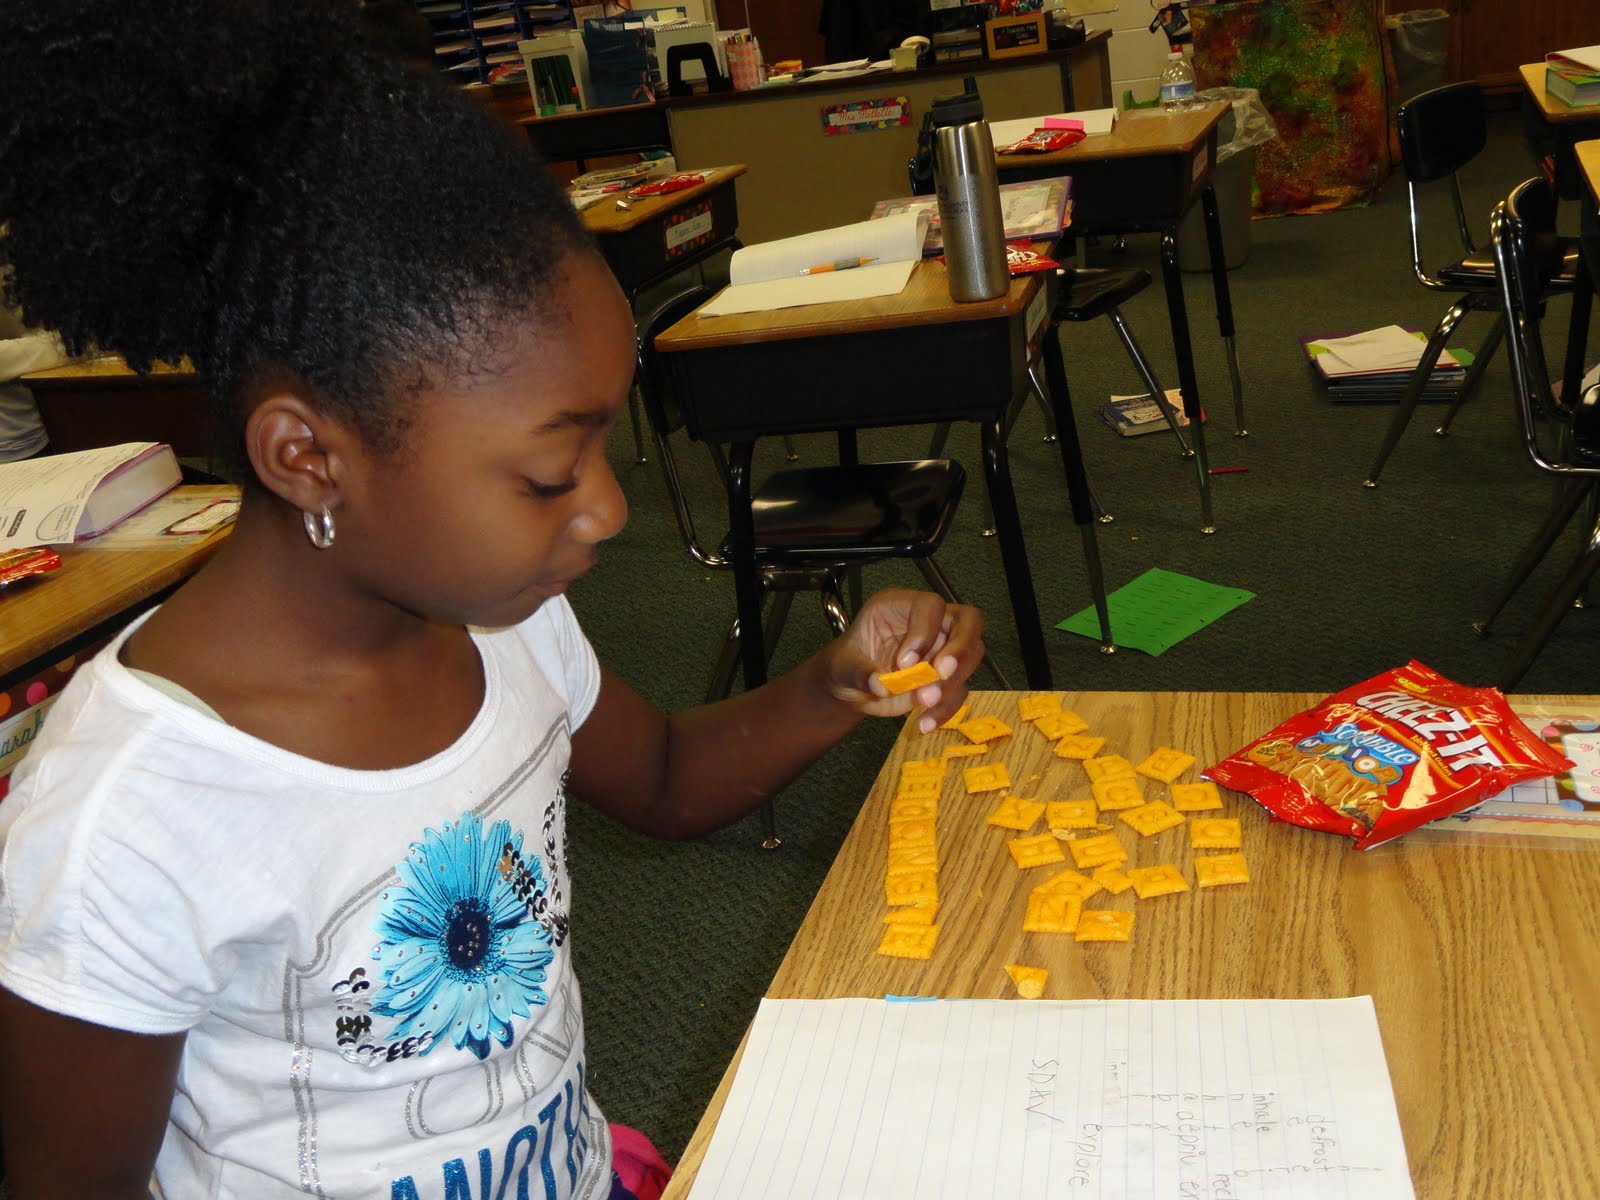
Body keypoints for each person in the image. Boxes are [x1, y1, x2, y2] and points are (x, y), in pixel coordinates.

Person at [0, 3, 984, 1198]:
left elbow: (666, 779)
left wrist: (833, 686)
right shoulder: (127, 820)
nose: (607, 509)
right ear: (309, 458)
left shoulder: (506, 623)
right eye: (548, 472)